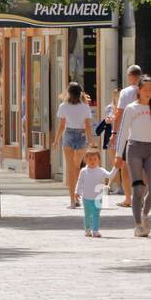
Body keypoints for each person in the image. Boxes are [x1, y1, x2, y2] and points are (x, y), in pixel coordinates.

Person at [115, 74, 151, 237]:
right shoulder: (131, 108)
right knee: (138, 189)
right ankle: (138, 224)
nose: (149, 92)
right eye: (146, 89)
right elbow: (123, 132)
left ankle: (145, 213)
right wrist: (118, 154)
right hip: (135, 149)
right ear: (139, 90)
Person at [53, 81, 94, 209]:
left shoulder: (63, 106)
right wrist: (91, 141)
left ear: (68, 93)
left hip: (69, 135)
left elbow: (61, 125)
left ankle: (72, 200)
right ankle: (77, 197)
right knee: (77, 167)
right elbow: (87, 126)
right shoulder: (85, 106)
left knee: (71, 169)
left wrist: (56, 140)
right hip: (81, 136)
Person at [110, 65, 142, 206]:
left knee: (125, 166)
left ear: (129, 76)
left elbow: (119, 113)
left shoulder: (126, 92)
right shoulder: (147, 90)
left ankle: (128, 198)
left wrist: (114, 133)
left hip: (128, 134)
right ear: (139, 76)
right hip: (145, 134)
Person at [76, 148, 117, 237]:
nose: (92, 161)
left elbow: (110, 175)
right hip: (86, 198)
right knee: (87, 215)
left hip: (98, 198)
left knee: (96, 214)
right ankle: (87, 229)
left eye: (95, 159)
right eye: (90, 159)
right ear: (85, 160)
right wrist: (77, 192)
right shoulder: (83, 171)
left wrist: (116, 167)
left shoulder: (101, 170)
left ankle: (95, 230)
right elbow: (80, 181)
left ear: (99, 160)